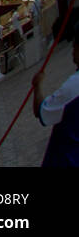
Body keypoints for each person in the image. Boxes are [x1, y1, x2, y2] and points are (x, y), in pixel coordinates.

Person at [33, 12, 79, 167]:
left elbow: (41, 112)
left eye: (75, 47)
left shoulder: (73, 88)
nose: (72, 52)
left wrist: (37, 85)